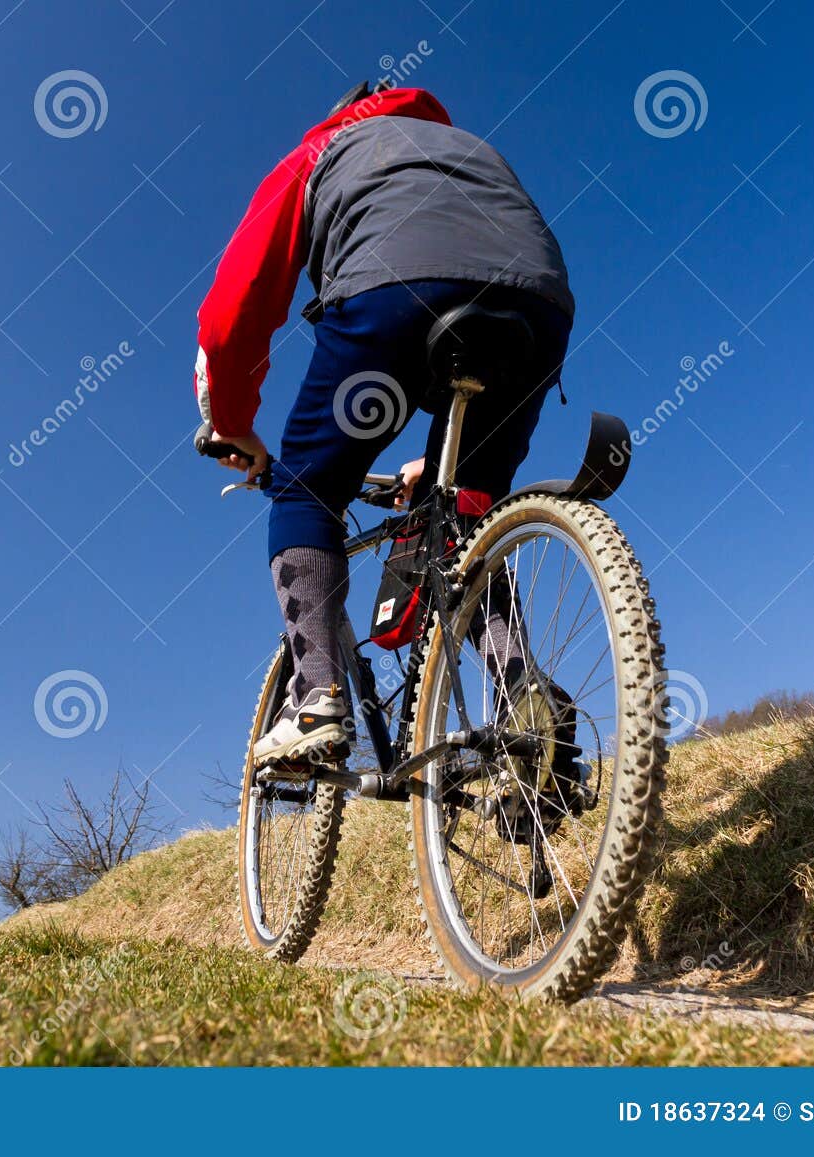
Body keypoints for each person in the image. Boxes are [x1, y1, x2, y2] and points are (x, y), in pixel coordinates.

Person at [194, 81, 575, 765]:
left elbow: (232, 312)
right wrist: (443, 462)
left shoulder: (321, 149)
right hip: (539, 312)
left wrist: (232, 421)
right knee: (461, 511)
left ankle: (314, 700)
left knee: (305, 492)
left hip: (394, 296)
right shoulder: (469, 147)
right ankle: (523, 691)